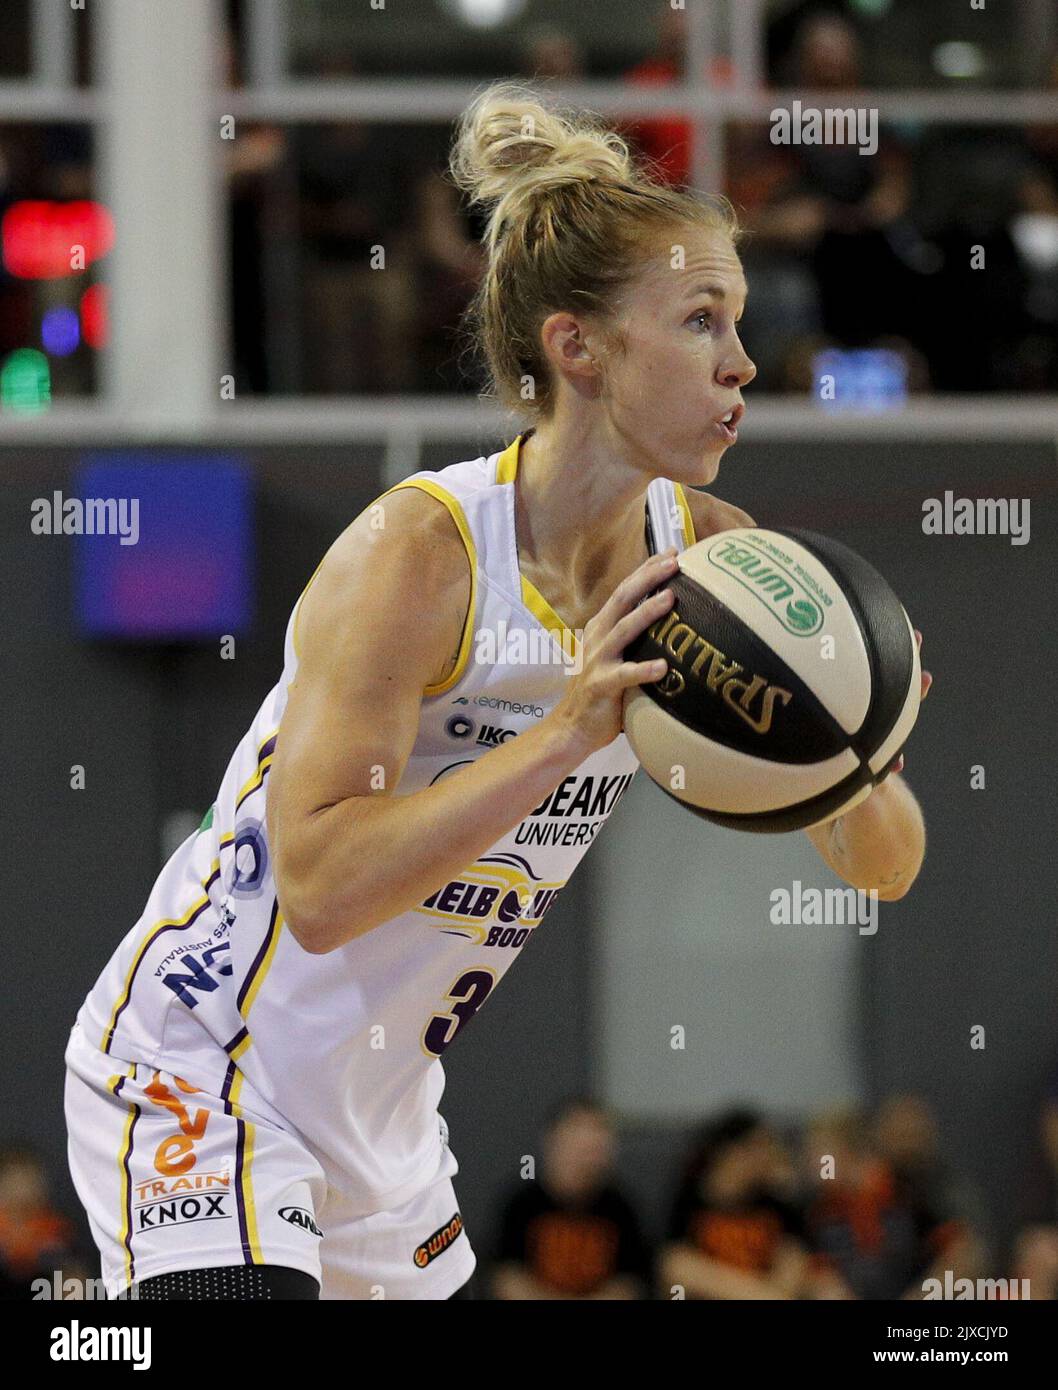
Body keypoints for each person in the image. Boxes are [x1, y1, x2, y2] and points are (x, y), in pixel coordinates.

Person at [64, 82, 929, 1301]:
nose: (741, 361)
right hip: (203, 1066)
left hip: (382, 1127)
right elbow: (320, 888)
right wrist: (562, 733)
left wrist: (859, 747)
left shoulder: (711, 562)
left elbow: (883, 866)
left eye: (735, 320)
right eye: (699, 320)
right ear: (577, 347)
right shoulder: (418, 555)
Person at [493, 1099, 650, 1300]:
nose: (587, 1154)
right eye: (577, 1140)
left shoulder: (622, 1208)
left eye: (596, 1145)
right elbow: (505, 1278)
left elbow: (631, 1284)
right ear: (553, 1141)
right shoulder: (522, 1203)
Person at [659, 1109, 810, 1300]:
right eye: (760, 1147)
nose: (770, 1156)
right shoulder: (690, 1199)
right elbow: (675, 1268)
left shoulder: (776, 1202)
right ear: (733, 1151)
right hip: (717, 1294)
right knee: (678, 1266)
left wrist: (789, 1189)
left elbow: (795, 1259)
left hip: (767, 1288)